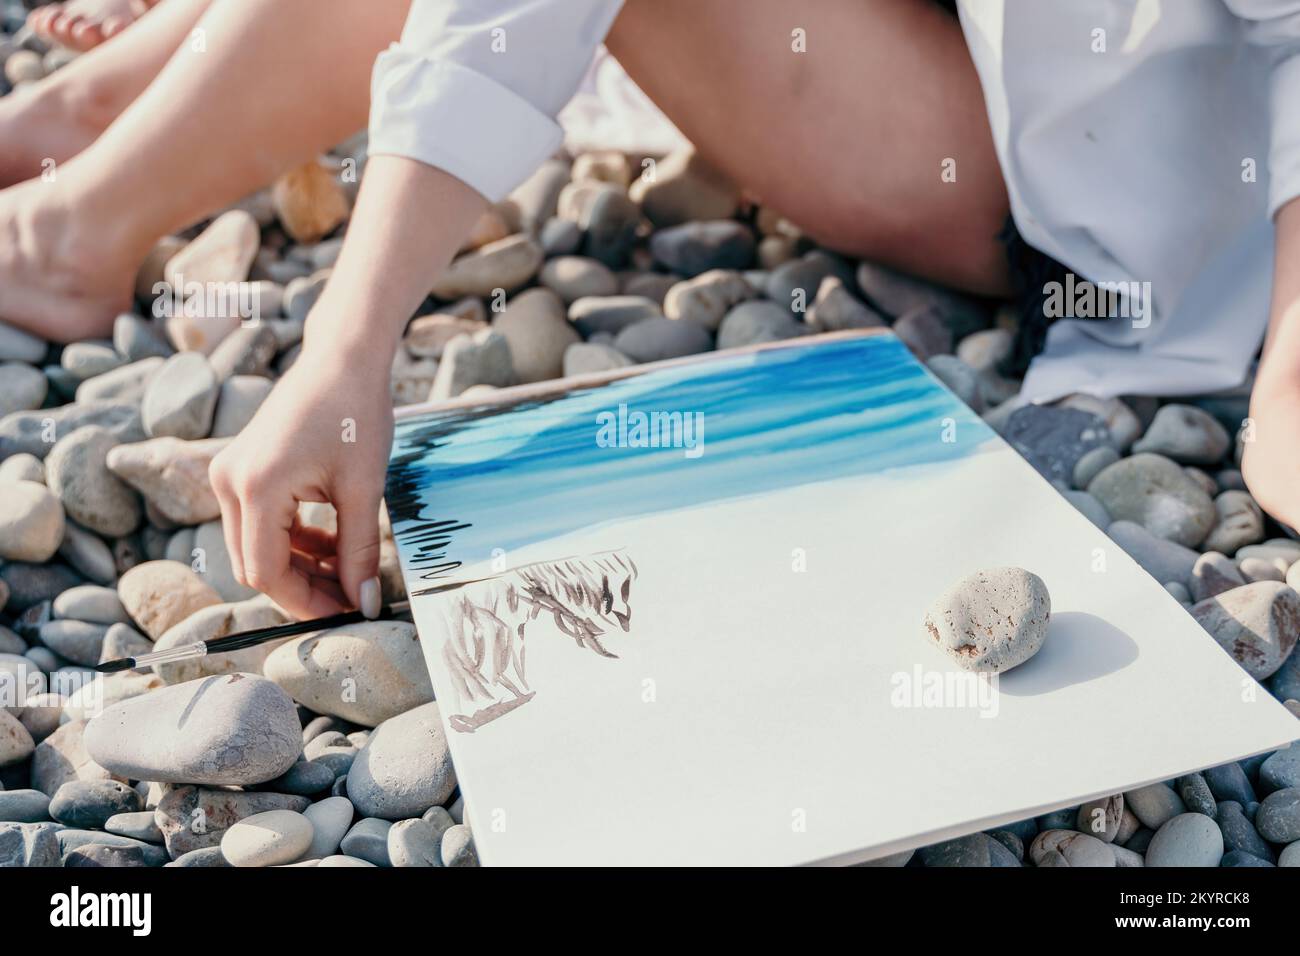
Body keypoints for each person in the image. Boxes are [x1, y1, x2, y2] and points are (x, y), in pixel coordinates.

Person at [2, 1, 1299, 624]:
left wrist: (350, 348)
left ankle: (83, 195)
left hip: (1054, 169)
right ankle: (101, 117)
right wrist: (352, 345)